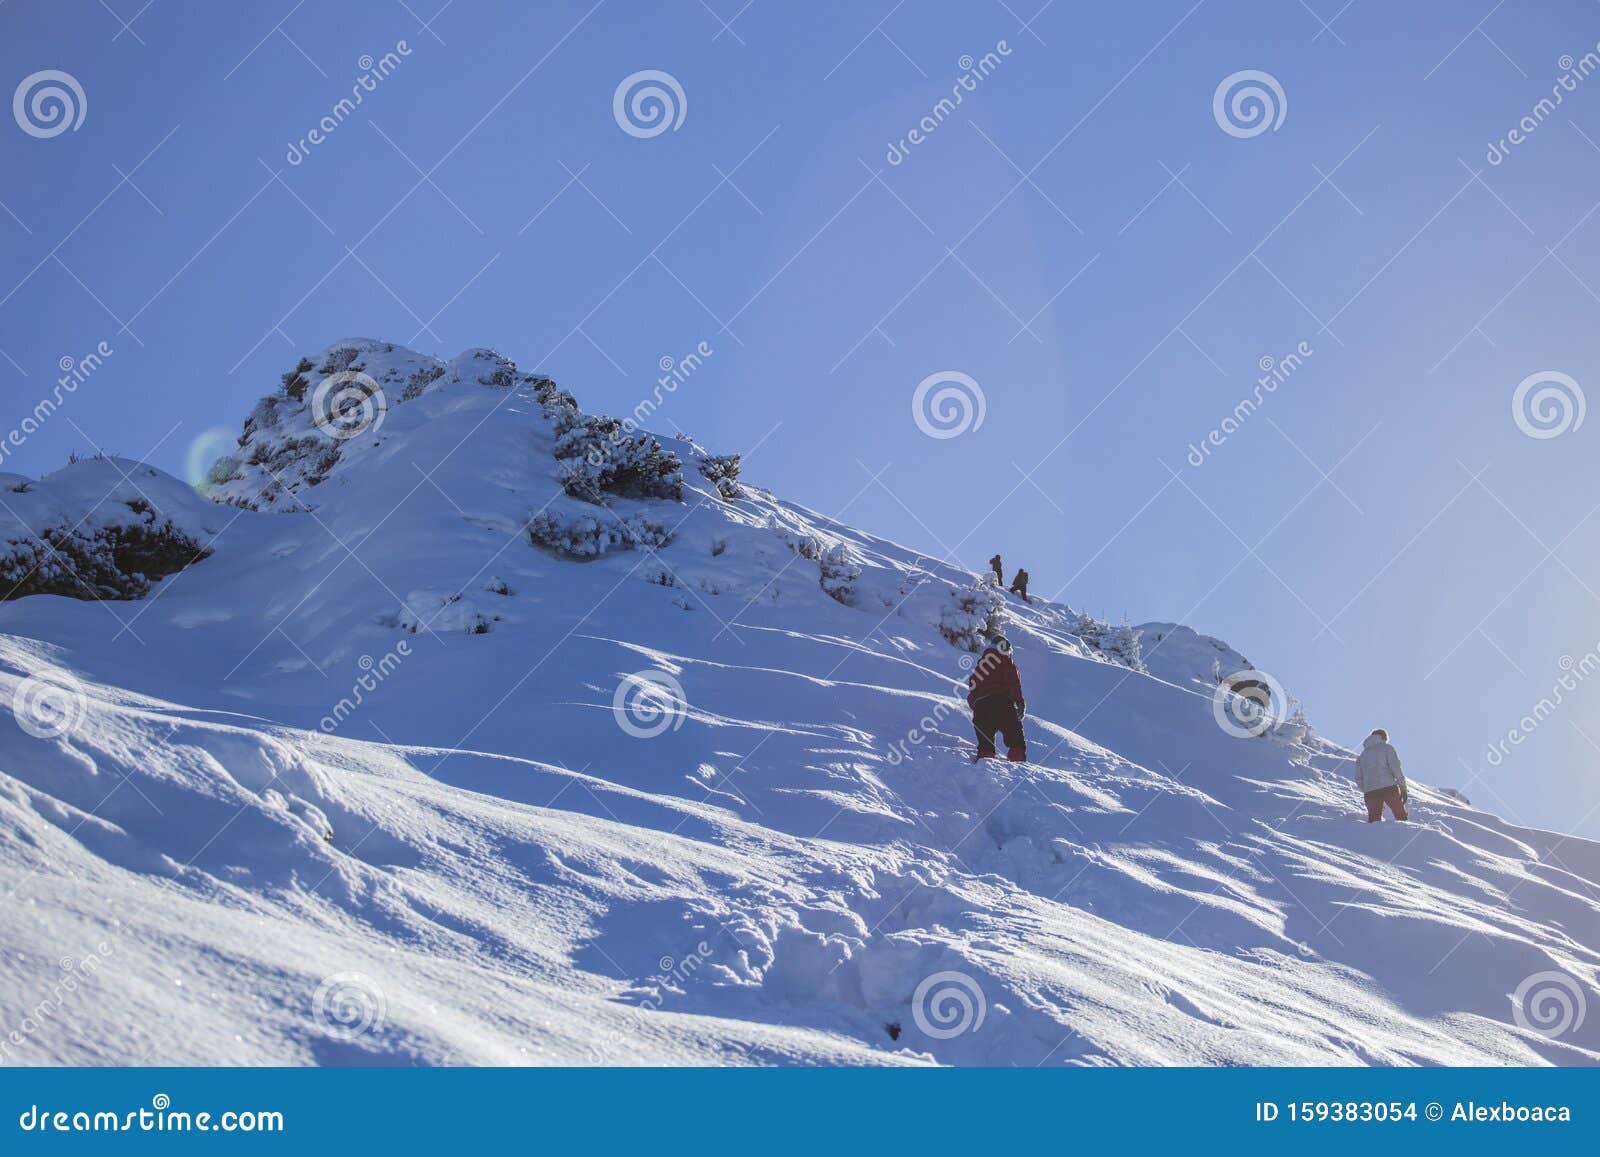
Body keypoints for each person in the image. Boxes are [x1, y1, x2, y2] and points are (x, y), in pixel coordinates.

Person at [967, 635, 1027, 761]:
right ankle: (1017, 762)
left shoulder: (981, 665)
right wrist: (1020, 702)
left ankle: (985, 761)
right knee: (1015, 736)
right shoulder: (1006, 662)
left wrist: (976, 705)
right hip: (1002, 703)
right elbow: (1013, 684)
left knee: (985, 740)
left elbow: (973, 687)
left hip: (981, 706)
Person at [1355, 728, 1408, 822]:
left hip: (1370, 793)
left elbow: (1358, 778)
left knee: (1374, 821)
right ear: (1384, 738)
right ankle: (1404, 835)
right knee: (1401, 816)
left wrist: (1368, 788)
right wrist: (1402, 787)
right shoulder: (1387, 748)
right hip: (1389, 788)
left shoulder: (1362, 755)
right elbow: (1395, 768)